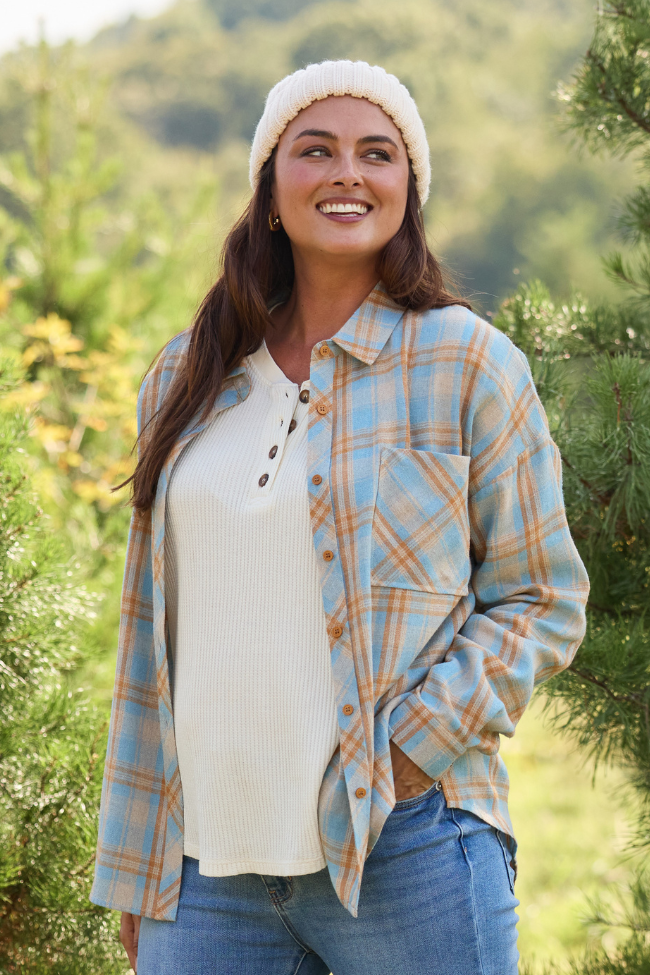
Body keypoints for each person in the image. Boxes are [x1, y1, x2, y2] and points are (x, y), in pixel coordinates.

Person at [90, 59, 589, 974]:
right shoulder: (186, 375)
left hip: (407, 852)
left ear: (410, 188)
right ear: (272, 192)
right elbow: (150, 640)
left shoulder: (467, 363)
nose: (347, 173)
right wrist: (135, 864)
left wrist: (409, 752)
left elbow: (540, 597)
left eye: (378, 153)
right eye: (315, 150)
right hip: (204, 873)